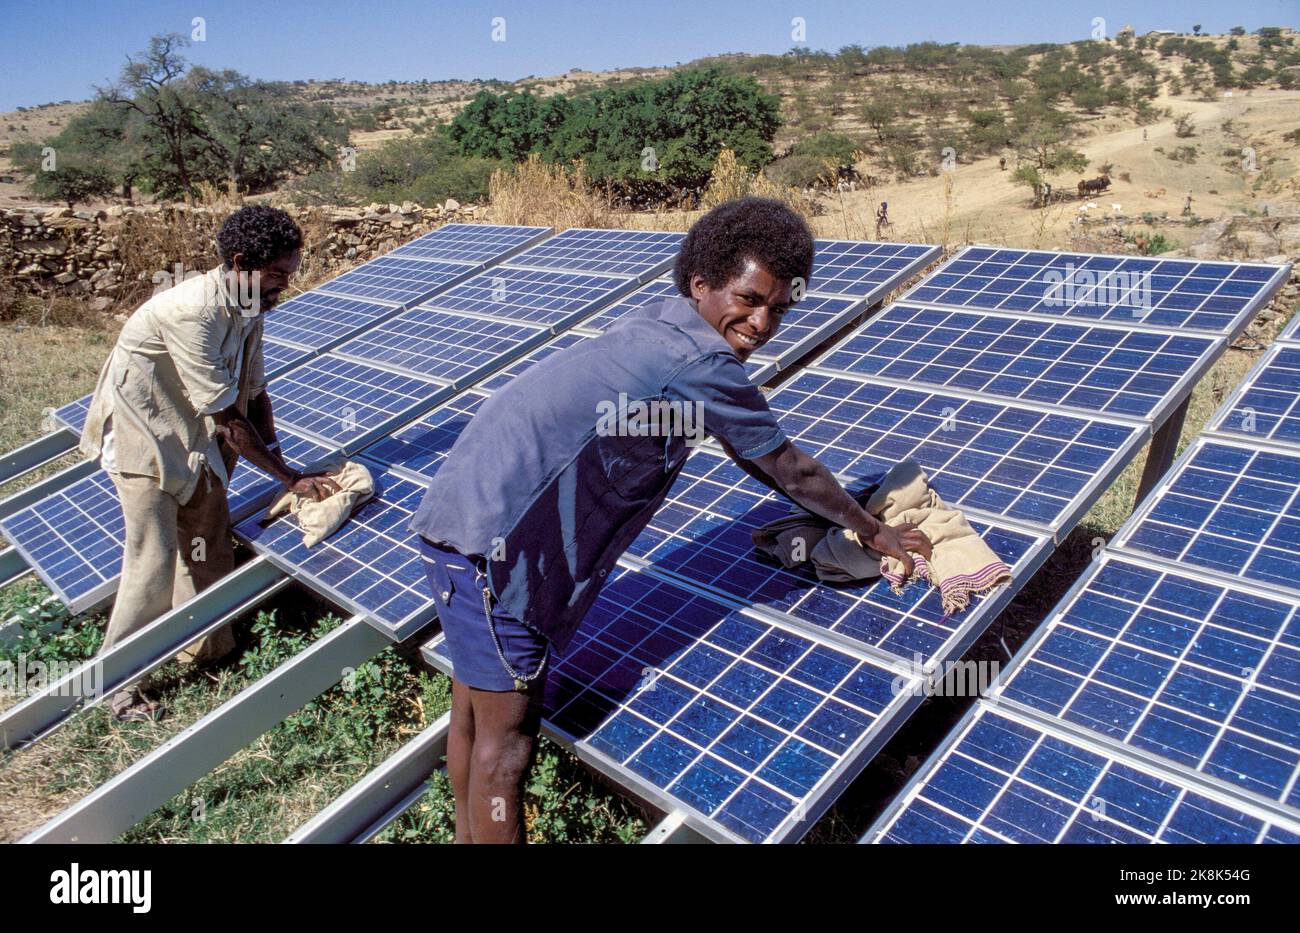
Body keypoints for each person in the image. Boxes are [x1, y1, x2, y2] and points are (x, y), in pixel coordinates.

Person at [409, 197, 932, 843]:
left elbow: (750, 452)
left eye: (779, 308)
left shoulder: (659, 326)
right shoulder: (702, 361)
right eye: (748, 298)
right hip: (496, 553)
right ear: (701, 283)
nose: (762, 321)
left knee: (474, 716)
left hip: (454, 526)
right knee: (506, 749)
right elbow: (787, 468)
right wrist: (872, 528)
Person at [79, 206, 340, 721]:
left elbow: (255, 392)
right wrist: (289, 479)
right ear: (241, 263)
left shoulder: (250, 309)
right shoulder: (191, 312)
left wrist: (285, 461)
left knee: (205, 545)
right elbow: (227, 419)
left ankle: (205, 648)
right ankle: (116, 685)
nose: (283, 286)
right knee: (152, 561)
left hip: (193, 437)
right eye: (277, 275)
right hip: (145, 438)